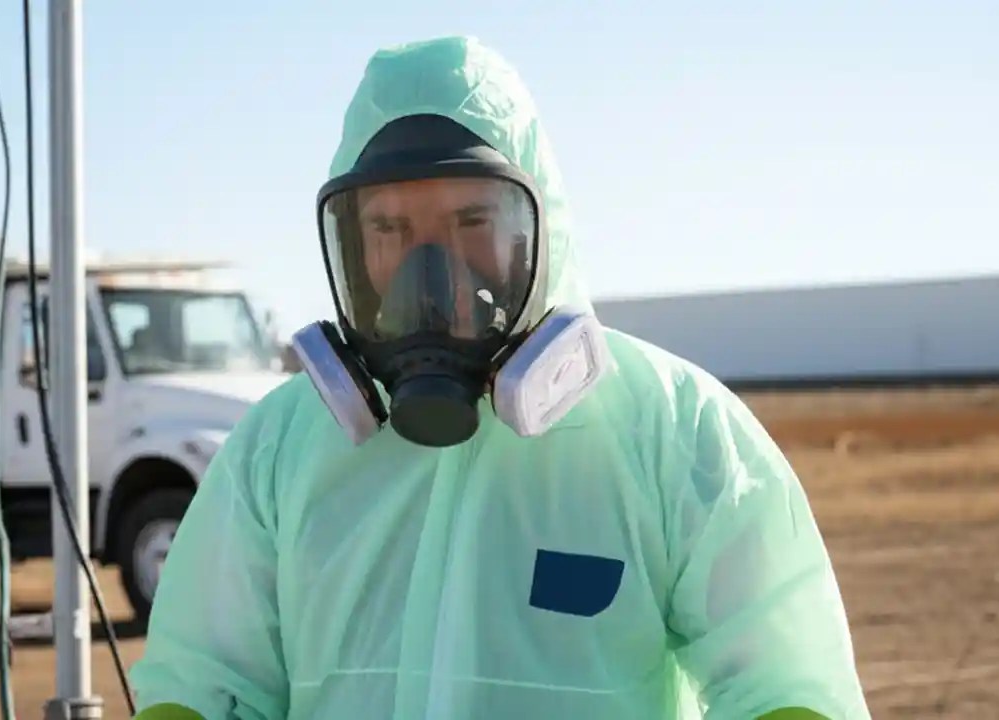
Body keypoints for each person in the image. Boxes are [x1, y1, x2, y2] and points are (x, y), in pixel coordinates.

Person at [128, 36, 871, 720]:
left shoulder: (673, 433)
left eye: (471, 223)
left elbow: (784, 689)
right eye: (389, 229)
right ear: (353, 246)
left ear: (539, 228)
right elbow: (202, 689)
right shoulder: (279, 450)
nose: (429, 269)